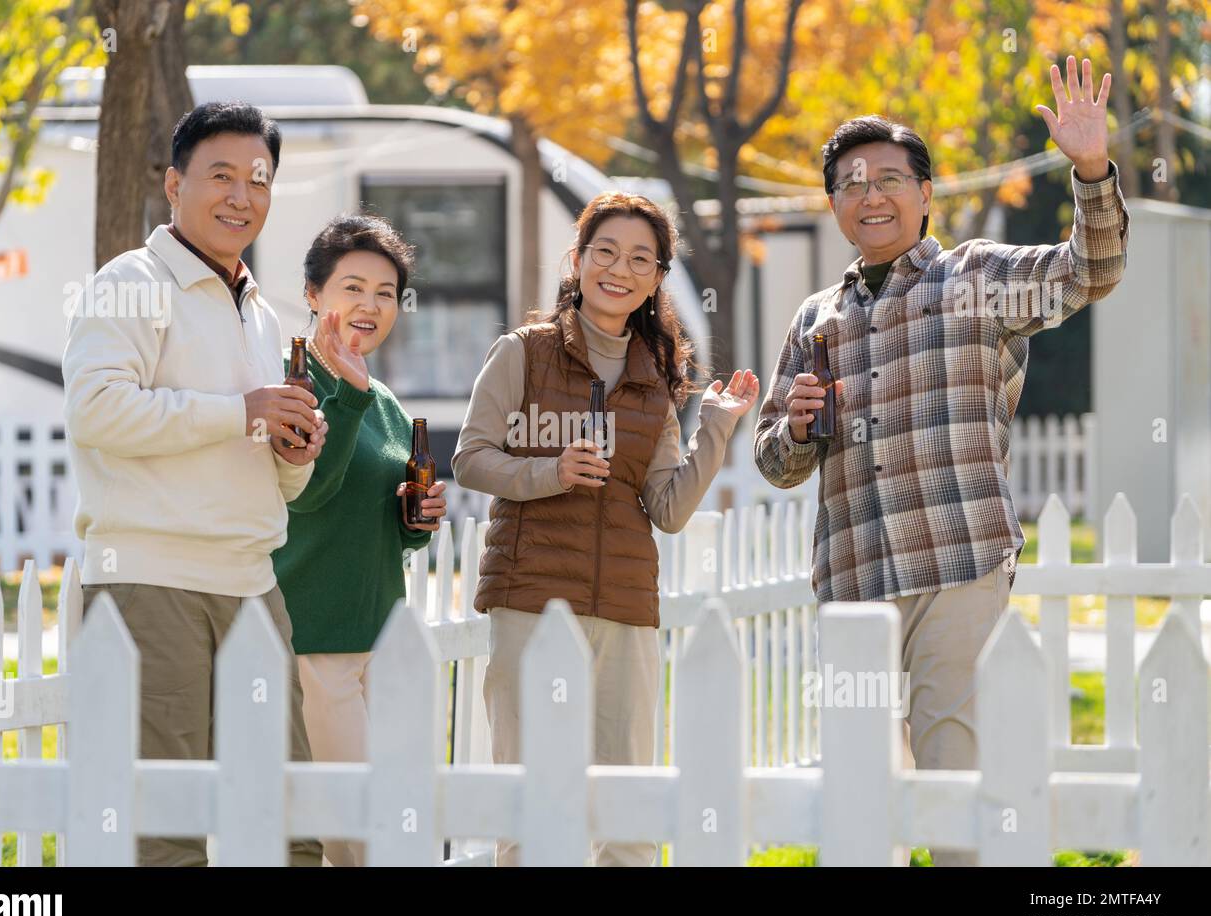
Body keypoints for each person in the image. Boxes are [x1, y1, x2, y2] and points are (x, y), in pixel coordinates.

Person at [754, 57, 1129, 865]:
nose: (872, 195)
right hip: (851, 577)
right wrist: (797, 430)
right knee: (861, 791)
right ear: (833, 205)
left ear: (927, 194)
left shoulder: (976, 277)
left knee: (955, 779)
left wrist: (1091, 170)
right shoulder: (816, 317)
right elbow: (774, 458)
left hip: (956, 562)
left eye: (891, 178)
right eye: (852, 184)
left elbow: (1089, 271)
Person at [454, 191, 761, 866]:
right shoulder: (524, 353)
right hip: (529, 598)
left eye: (640, 259)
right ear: (580, 258)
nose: (619, 269)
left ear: (656, 279)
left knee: (628, 812)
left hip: (624, 608)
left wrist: (716, 425)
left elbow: (670, 509)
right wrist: (551, 470)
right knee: (531, 807)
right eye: (606, 252)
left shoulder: (655, 382)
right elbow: (469, 457)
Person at [63, 101, 327, 866]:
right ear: (174, 184)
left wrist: (294, 445)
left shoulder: (263, 314)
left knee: (287, 826)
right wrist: (244, 413)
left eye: (259, 180)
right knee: (164, 833)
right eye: (222, 176)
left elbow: (277, 478)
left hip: (252, 582)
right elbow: (96, 411)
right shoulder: (130, 281)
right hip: (152, 580)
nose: (242, 196)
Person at [272, 214, 449, 867]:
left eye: (386, 292)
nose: (370, 305)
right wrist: (342, 397)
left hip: (383, 638)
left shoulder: (386, 404)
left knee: (392, 822)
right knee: (355, 833)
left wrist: (415, 519)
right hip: (315, 642)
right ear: (314, 294)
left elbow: (392, 532)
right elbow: (309, 492)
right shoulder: (295, 388)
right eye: (353, 286)